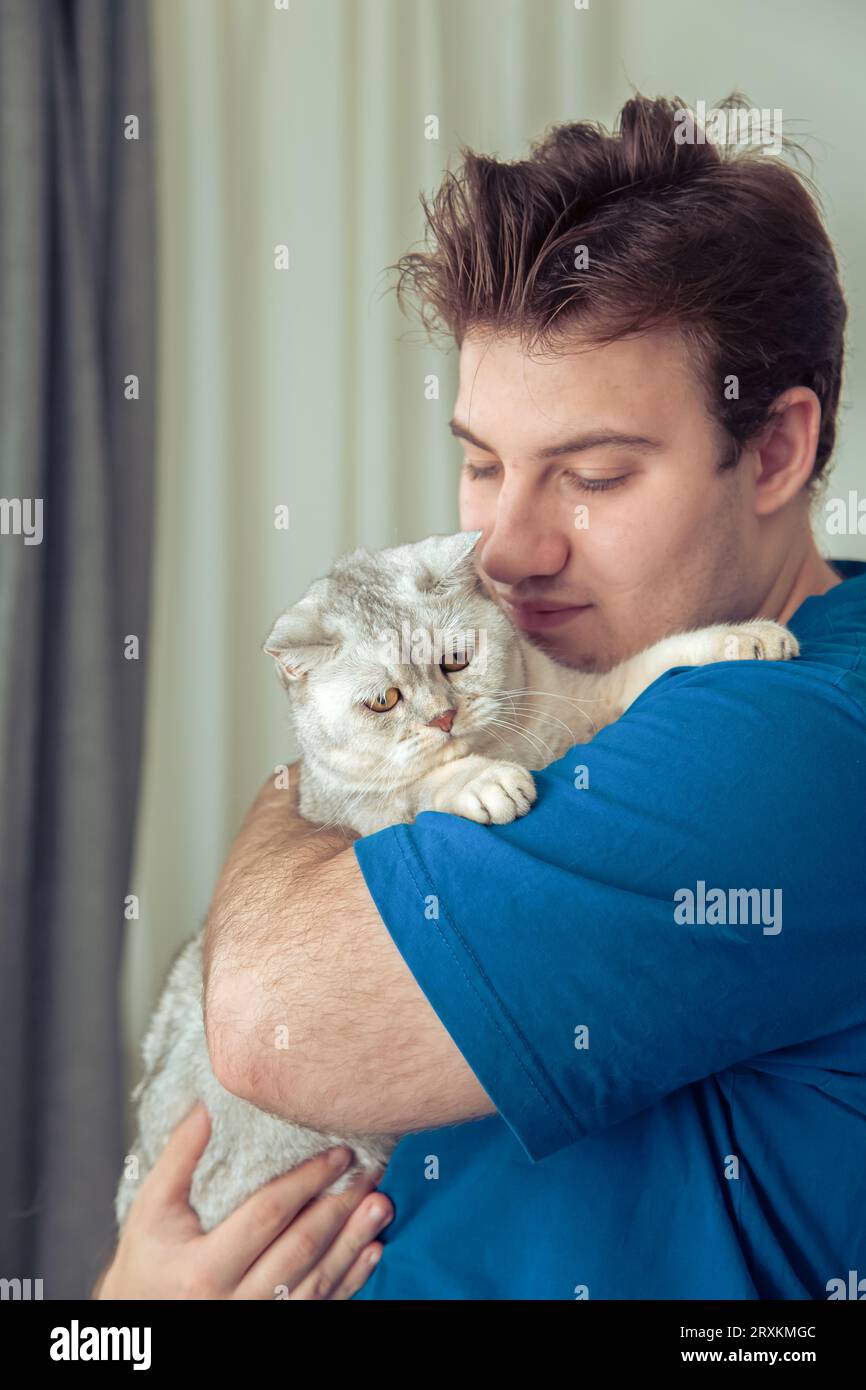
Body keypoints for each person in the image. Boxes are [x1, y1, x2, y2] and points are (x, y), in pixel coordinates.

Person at [107, 94, 866, 1299]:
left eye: (593, 476)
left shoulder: (791, 734)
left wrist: (295, 797)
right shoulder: (558, 693)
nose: (505, 550)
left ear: (773, 451)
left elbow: (264, 1017)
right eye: (478, 462)